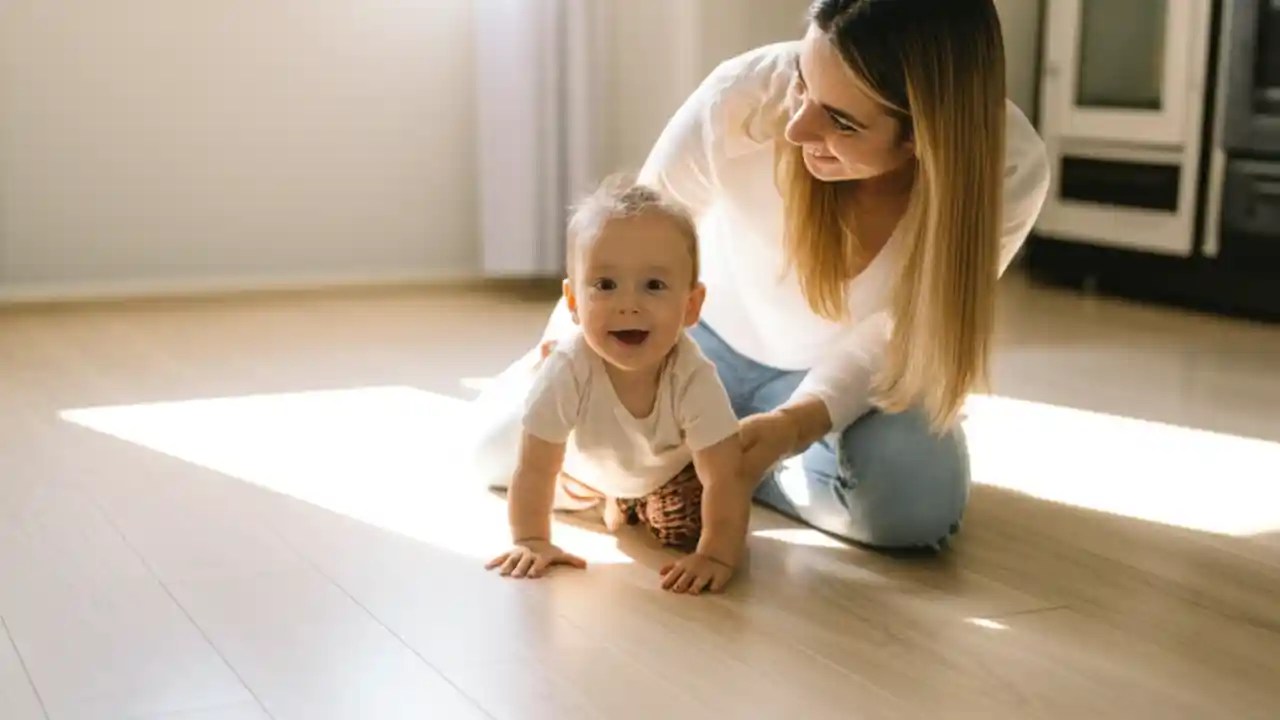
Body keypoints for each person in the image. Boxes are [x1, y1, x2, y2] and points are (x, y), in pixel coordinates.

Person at [472, 0, 1050, 553]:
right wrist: (575, 364)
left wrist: (793, 425)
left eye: (842, 122)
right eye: (803, 80)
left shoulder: (1007, 170)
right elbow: (628, 244)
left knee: (912, 507)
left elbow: (903, 332)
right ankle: (709, 465)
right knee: (502, 449)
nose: (797, 128)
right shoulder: (742, 96)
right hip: (692, 345)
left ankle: (707, 467)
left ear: (924, 135)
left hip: (843, 385)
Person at [484, 178, 752, 595]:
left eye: (654, 285)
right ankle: (603, 495)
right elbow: (536, 466)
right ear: (573, 303)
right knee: (500, 461)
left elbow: (724, 476)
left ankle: (629, 505)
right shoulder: (570, 368)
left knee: (694, 519)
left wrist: (716, 554)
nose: (629, 304)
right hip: (582, 468)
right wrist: (532, 540)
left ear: (691, 305)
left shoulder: (693, 375)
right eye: (605, 285)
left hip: (661, 473)